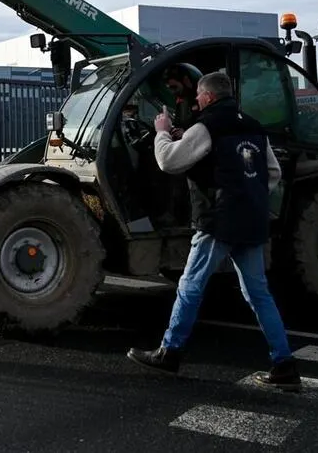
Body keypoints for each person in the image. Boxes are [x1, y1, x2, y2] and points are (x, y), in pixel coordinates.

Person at [126, 71, 300, 391]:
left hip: (218, 221)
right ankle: (284, 364)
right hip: (252, 220)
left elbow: (168, 161)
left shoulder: (207, 125)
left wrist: (163, 133)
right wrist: (247, 195)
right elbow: (271, 172)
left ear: (207, 96)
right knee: (258, 293)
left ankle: (170, 352)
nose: (195, 101)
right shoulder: (253, 126)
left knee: (191, 286)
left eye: (198, 98)